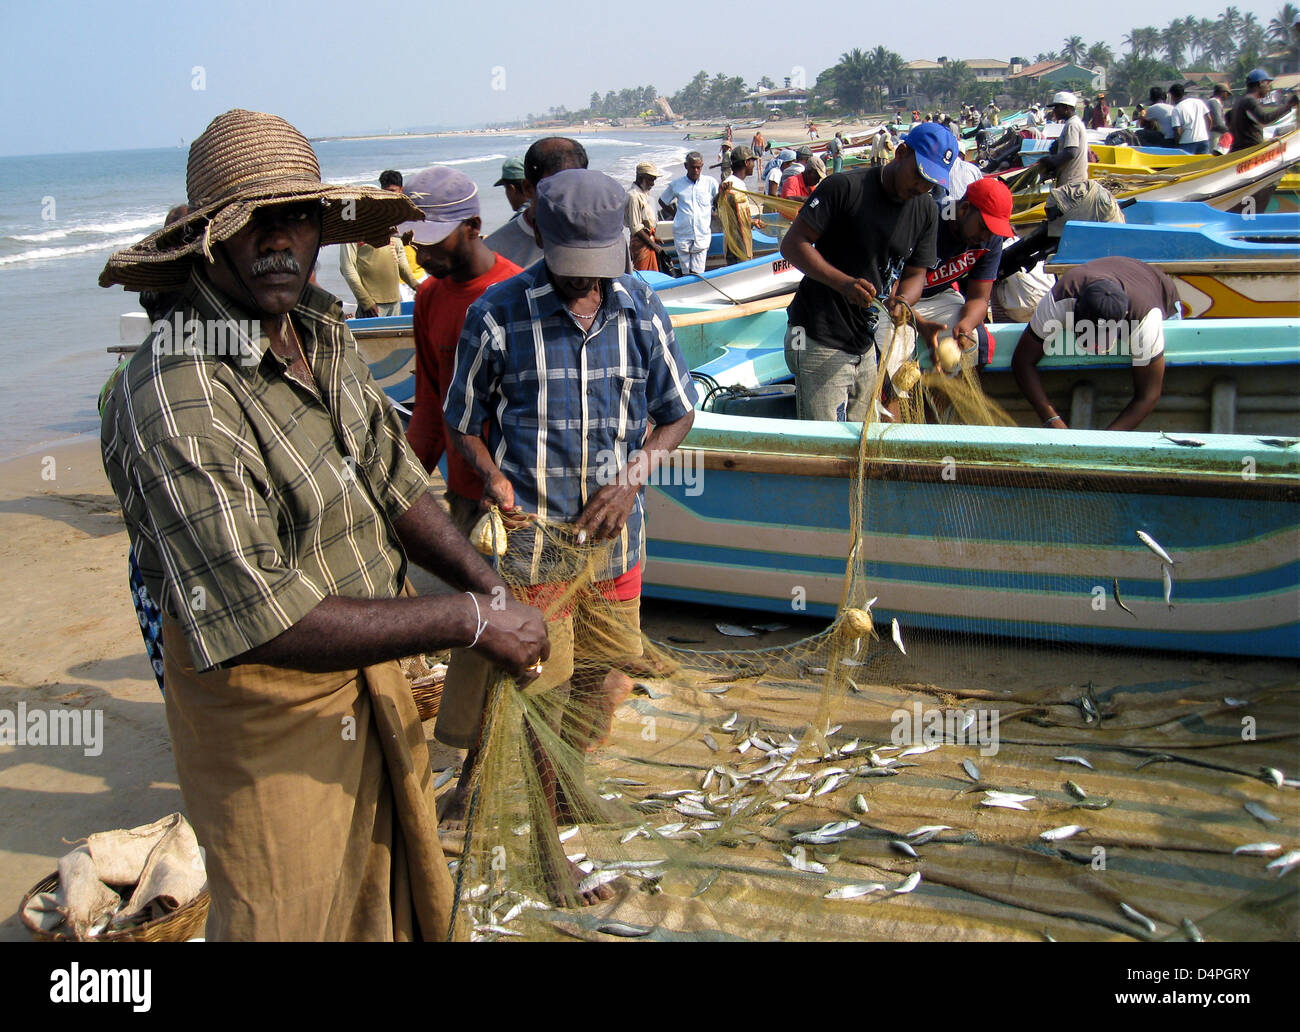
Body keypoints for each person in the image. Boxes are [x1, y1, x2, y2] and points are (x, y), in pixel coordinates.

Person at [97, 108, 550, 941]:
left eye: (296, 217)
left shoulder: (321, 330)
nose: (279, 241)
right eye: (252, 222)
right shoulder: (178, 392)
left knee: (398, 891)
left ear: (324, 227)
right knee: (295, 913)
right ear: (208, 239)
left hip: (371, 671)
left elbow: (394, 482)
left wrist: (489, 583)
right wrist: (468, 619)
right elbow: (261, 616)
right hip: (268, 712)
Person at [442, 169, 697, 905]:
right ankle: (552, 851)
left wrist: (634, 477)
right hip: (535, 545)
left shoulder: (641, 306)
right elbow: (463, 423)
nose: (590, 285)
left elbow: (677, 411)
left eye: (601, 267)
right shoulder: (497, 315)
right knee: (539, 692)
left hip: (618, 542)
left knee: (604, 680)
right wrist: (490, 478)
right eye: (575, 269)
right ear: (541, 243)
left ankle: (563, 791)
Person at [779, 122, 954, 421]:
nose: (922, 187)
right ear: (900, 153)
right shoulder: (845, 188)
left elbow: (915, 274)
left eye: (931, 183)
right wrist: (844, 284)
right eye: (919, 176)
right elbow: (793, 245)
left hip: (865, 343)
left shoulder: (925, 210)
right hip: (819, 336)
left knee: (862, 438)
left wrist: (903, 303)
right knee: (828, 446)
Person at [403, 166, 522, 531]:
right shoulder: (428, 297)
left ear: (472, 226)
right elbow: (429, 403)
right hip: (464, 494)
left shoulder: (519, 293)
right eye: (412, 241)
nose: (420, 257)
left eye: (432, 241)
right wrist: (402, 491)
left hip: (522, 496)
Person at [1011, 256, 1180, 431]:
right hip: (1110, 273)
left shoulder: (1145, 320)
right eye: (1088, 335)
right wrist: (1052, 419)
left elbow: (1149, 395)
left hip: (1158, 289)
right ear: (1074, 312)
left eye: (1101, 337)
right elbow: (1022, 361)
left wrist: (1103, 442)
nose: (1096, 347)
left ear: (1123, 316)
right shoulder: (1061, 298)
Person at [914, 177, 1013, 371]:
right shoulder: (928, 217)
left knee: (975, 341)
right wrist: (920, 324)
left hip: (939, 296)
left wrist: (966, 325)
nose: (986, 237)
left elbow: (979, 298)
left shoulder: (990, 240)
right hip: (896, 299)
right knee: (896, 348)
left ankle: (942, 398)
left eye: (993, 231)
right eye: (984, 227)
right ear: (964, 209)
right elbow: (887, 289)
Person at [483, 137, 589, 268]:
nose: (568, 197)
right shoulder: (494, 253)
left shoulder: (604, 235)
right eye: (557, 190)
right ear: (527, 188)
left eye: (576, 187)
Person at [339, 224, 421, 317]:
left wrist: (416, 286)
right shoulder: (353, 232)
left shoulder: (392, 228)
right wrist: (366, 301)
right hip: (372, 303)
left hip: (395, 301)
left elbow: (401, 262)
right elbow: (347, 268)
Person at [658, 151, 719, 276]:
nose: (696, 170)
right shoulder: (677, 184)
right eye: (693, 167)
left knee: (698, 273)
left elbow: (717, 200)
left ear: (702, 166)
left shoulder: (710, 183)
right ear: (686, 166)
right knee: (685, 272)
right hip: (683, 234)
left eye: (699, 167)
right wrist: (676, 214)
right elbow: (662, 200)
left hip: (701, 234)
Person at [1229, 69, 1299, 152]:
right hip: (1248, 151)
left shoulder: (1240, 101)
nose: (1269, 88)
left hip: (1239, 149)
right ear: (1260, 83)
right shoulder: (1250, 100)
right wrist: (1288, 106)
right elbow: (1264, 119)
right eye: (1268, 84)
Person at [720, 146, 765, 264]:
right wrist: (722, 192)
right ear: (746, 162)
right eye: (752, 161)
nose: (754, 165)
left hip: (743, 242)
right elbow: (722, 211)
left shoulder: (739, 184)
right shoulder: (729, 185)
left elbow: (737, 215)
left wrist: (751, 221)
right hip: (736, 245)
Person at [1036, 91, 1088, 187]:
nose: (1054, 110)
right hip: (1071, 181)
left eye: (1057, 107)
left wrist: (1050, 161)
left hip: (1072, 182)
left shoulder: (1072, 124)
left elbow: (1071, 152)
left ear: (1066, 108)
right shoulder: (1072, 123)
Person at [625, 160, 666, 271]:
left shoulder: (643, 193)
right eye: (650, 179)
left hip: (647, 240)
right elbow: (635, 228)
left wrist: (654, 238)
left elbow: (644, 222)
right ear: (640, 177)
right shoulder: (634, 196)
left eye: (654, 180)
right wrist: (653, 245)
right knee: (645, 273)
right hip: (640, 244)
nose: (652, 183)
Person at [1169, 83, 1211, 155]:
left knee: (1187, 165)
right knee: (1204, 165)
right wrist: (1206, 132)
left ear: (1172, 96)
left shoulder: (1176, 109)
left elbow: (1178, 130)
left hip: (1187, 142)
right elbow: (1209, 119)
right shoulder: (1198, 102)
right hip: (1203, 139)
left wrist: (1176, 144)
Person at [1207, 83, 1231, 153]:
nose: (1227, 96)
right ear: (1222, 92)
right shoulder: (1213, 102)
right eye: (1227, 93)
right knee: (1214, 155)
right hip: (1214, 133)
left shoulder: (1216, 102)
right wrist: (1229, 130)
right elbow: (1218, 122)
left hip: (1218, 132)